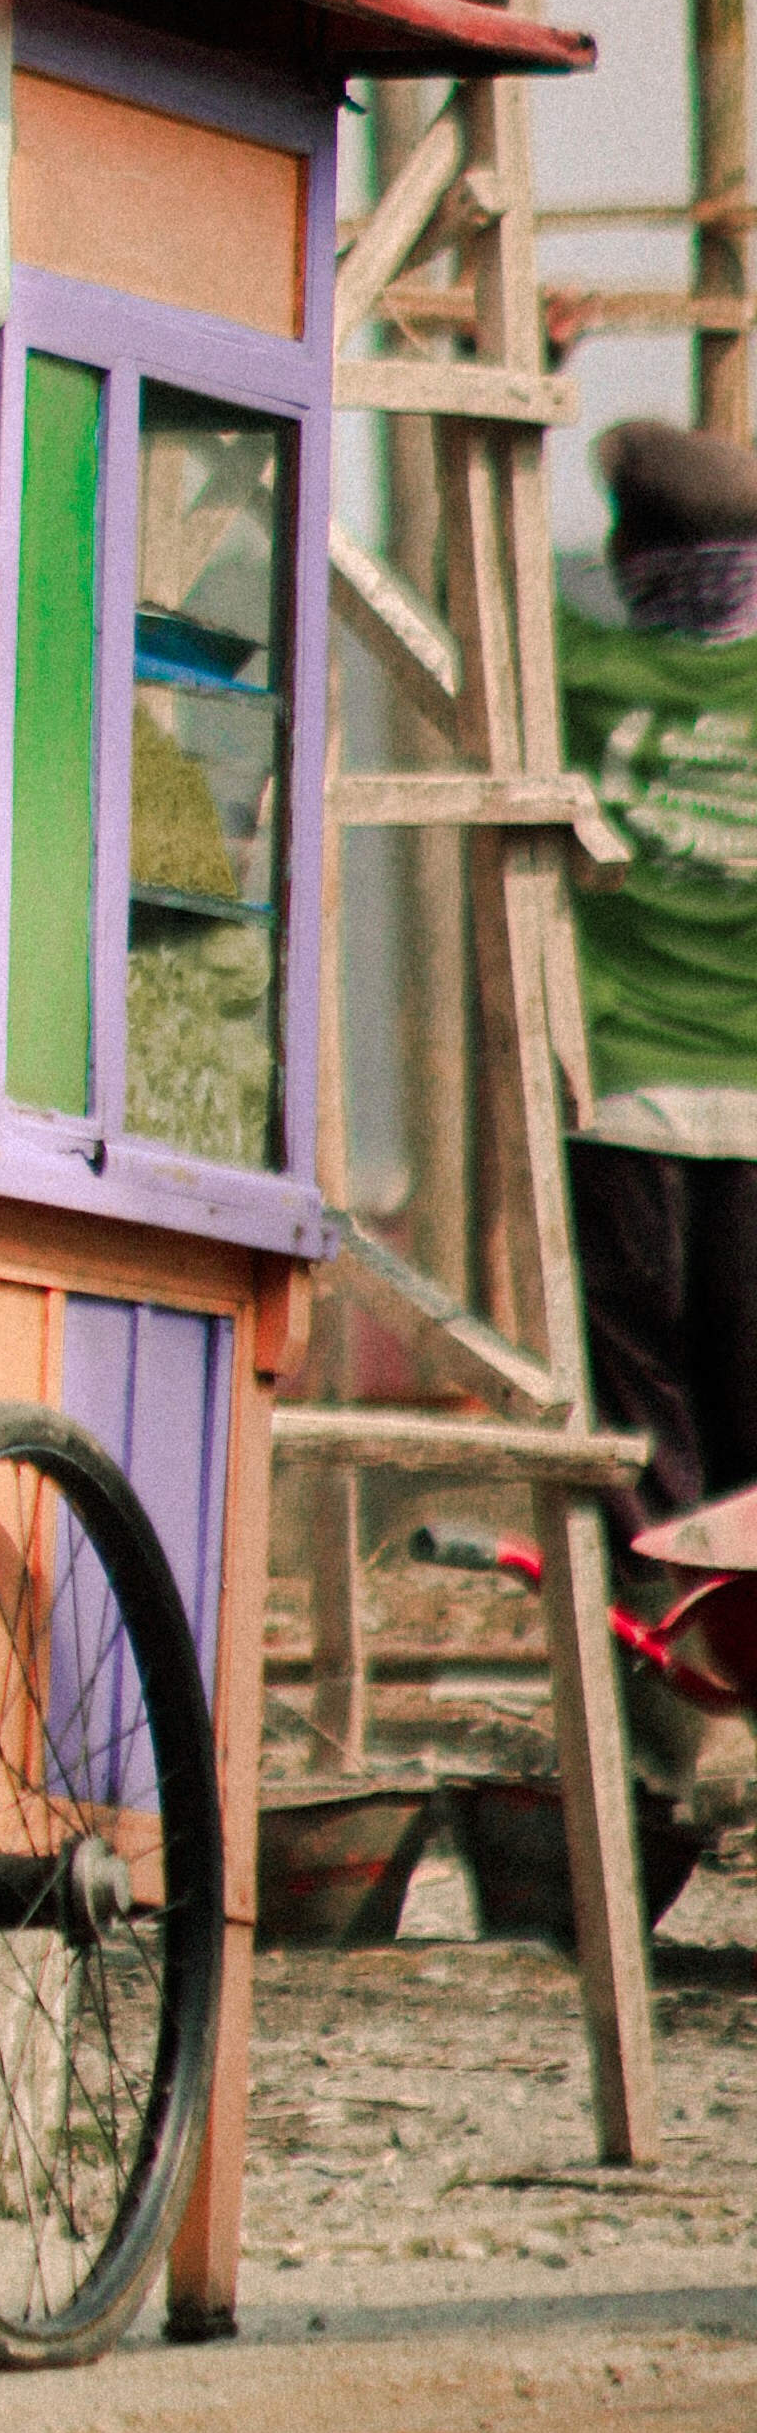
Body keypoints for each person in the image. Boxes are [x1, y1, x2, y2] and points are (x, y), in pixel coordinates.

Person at [555, 416, 757, 1576]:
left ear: (636, 562)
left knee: (640, 1430)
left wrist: (542, 362)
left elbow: (467, 603)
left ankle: (662, 1696)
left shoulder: (583, 672)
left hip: (619, 1101)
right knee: (751, 1434)